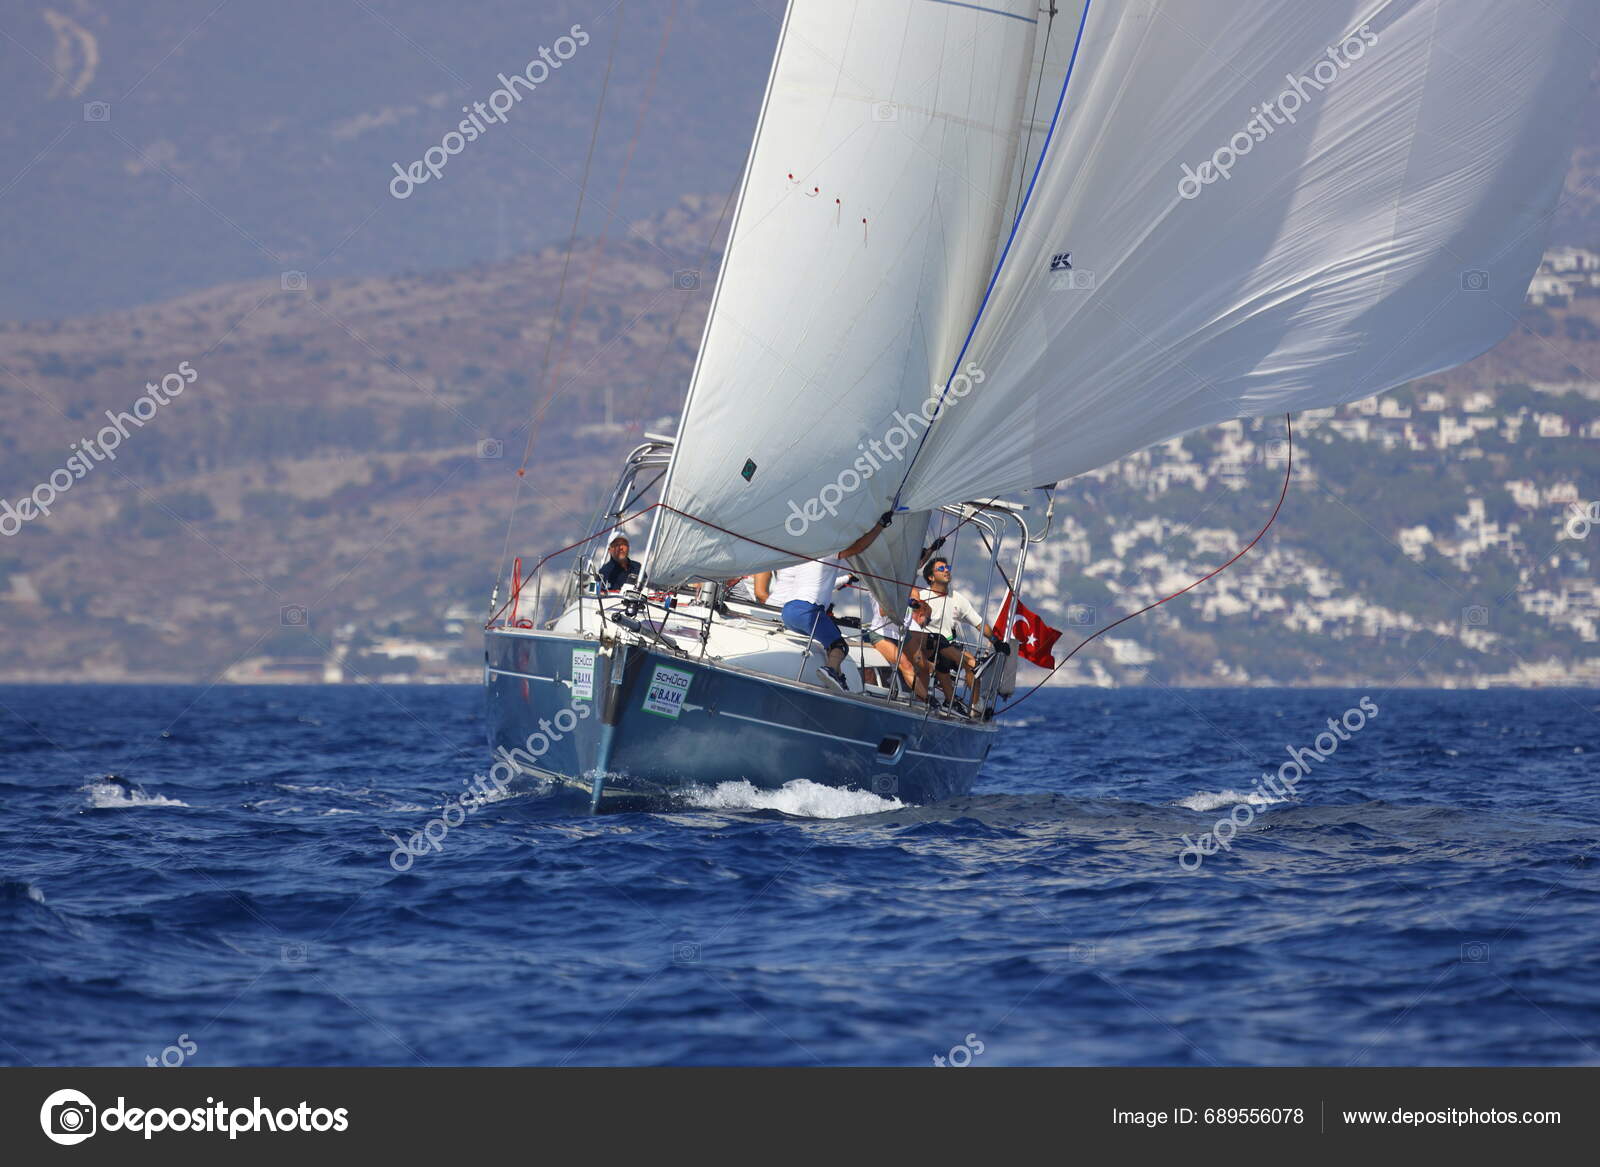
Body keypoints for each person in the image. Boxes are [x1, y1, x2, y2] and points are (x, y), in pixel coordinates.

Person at [751, 513, 893, 692]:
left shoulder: (806, 553)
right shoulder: (827, 550)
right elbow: (858, 547)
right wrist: (879, 526)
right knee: (840, 645)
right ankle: (830, 670)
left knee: (829, 643)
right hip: (808, 610)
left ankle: (838, 678)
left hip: (788, 611)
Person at [915, 556, 1005, 708]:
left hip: (949, 645)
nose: (946, 571)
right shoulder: (921, 597)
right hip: (926, 646)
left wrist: (997, 642)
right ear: (931, 577)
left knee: (973, 665)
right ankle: (947, 700)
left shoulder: (957, 599)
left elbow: (979, 624)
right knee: (942, 659)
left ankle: (975, 707)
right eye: (941, 569)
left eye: (948, 568)